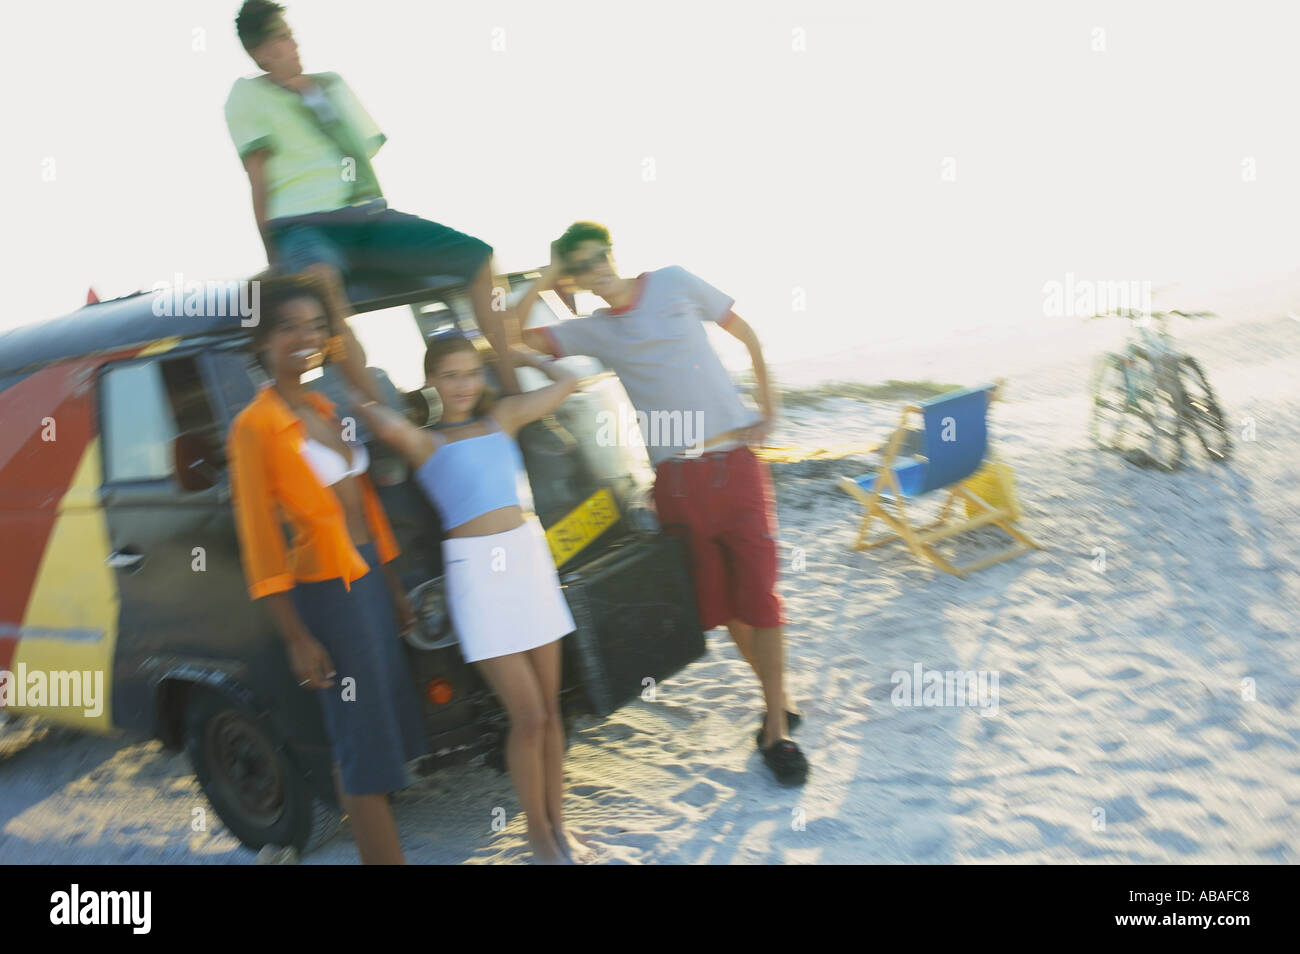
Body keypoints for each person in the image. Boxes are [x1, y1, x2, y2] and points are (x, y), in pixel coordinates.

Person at [510, 221, 809, 785]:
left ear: (613, 254)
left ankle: (775, 727)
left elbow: (746, 333)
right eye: (580, 265)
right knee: (722, 608)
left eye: (600, 255)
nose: (596, 267)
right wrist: (548, 276)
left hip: (735, 467)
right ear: (570, 278)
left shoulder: (673, 282)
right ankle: (776, 701)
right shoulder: (595, 332)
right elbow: (508, 338)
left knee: (761, 599)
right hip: (676, 484)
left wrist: (768, 408)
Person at [312, 269, 595, 863]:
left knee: (550, 713)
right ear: (432, 382)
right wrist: (334, 319)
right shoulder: (424, 443)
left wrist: (520, 353)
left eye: (471, 373)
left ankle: (557, 825)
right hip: (478, 578)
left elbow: (570, 381)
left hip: (529, 564)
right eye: (450, 376)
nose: (463, 385)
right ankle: (538, 838)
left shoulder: (503, 419)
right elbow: (362, 397)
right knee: (525, 716)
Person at [226, 276, 430, 864]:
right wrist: (296, 637)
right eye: (289, 326)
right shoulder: (254, 428)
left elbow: (365, 509)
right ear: (263, 340)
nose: (306, 337)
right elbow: (261, 546)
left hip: (367, 579)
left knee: (364, 738)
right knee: (362, 746)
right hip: (327, 596)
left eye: (315, 325)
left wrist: (392, 588)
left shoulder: (326, 407)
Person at [224, 0, 523, 391]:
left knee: (481, 257)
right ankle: (379, 414)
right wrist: (273, 255)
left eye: (291, 36)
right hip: (304, 227)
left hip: (370, 218)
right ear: (259, 53)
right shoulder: (247, 95)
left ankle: (512, 388)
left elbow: (362, 152)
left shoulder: (331, 85)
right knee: (321, 287)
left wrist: (311, 98)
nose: (293, 46)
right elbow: (257, 178)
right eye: (280, 40)